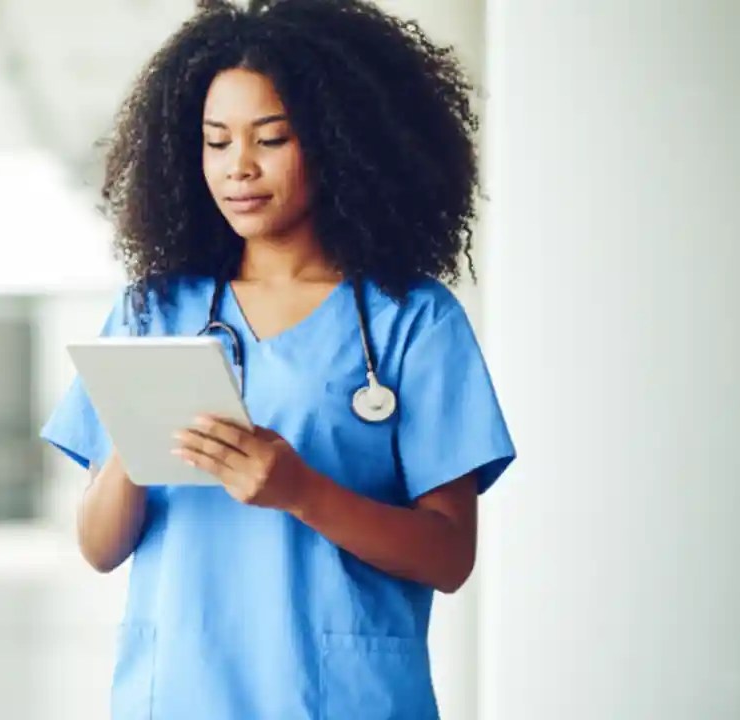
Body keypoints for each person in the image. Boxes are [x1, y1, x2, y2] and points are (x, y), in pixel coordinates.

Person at [40, 1, 515, 717]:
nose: (240, 168)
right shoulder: (155, 313)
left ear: (336, 142)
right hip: (181, 695)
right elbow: (100, 547)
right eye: (216, 141)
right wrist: (137, 444)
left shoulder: (411, 320)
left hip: (344, 700)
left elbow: (449, 557)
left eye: (272, 138)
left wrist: (302, 491)